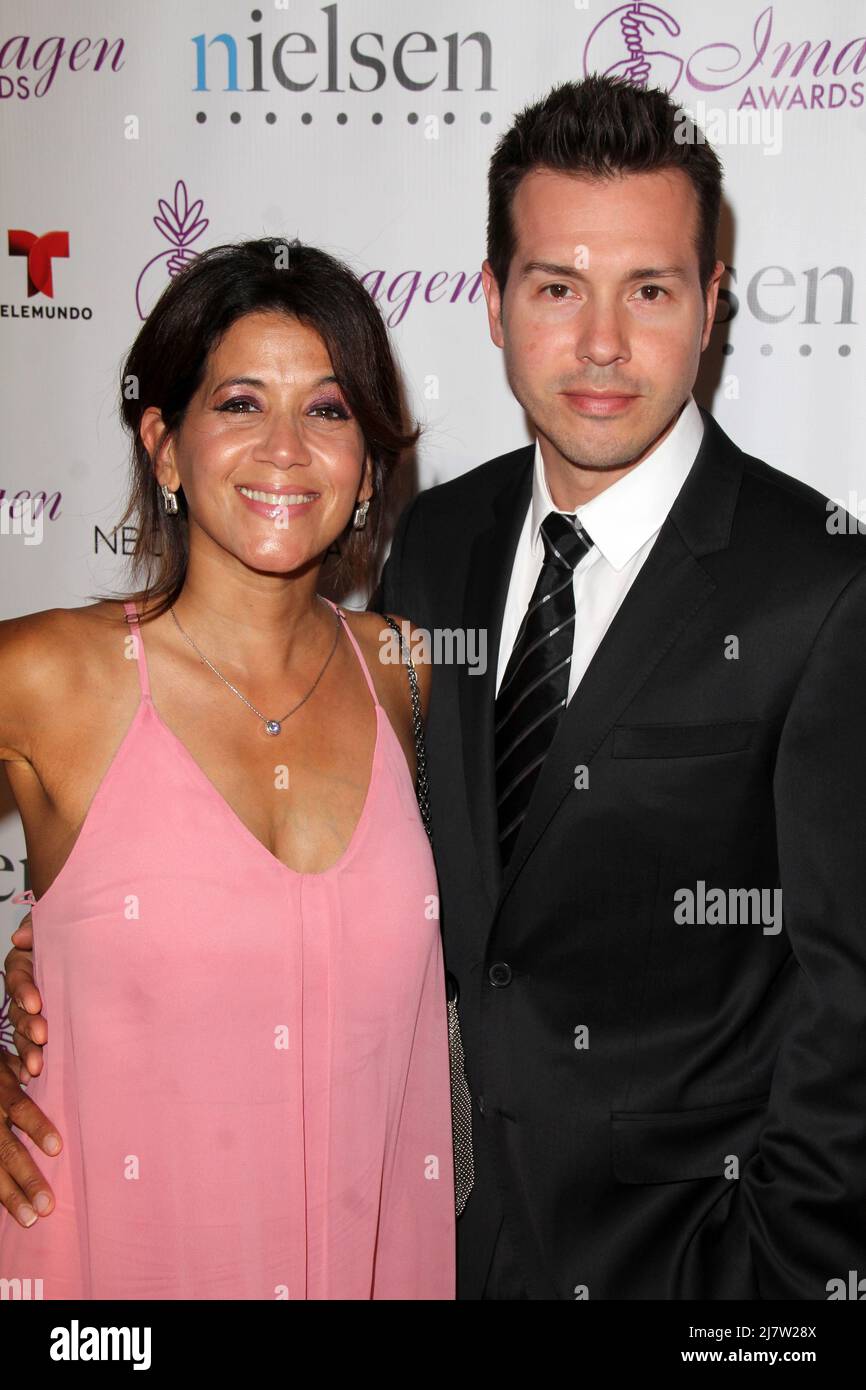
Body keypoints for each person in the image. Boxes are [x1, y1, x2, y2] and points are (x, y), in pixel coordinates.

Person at [372, 75, 866, 1298]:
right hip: (431, 1243)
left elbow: (847, 1003)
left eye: (646, 290)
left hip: (691, 1269)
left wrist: (766, 1292)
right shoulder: (432, 542)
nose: (599, 344)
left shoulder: (821, 587)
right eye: (555, 288)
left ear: (709, 305)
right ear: (491, 303)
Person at [0, 237, 455, 1299]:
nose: (286, 449)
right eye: (241, 403)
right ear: (164, 444)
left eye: (330, 409)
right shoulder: (56, 674)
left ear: (368, 463)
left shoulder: (407, 673)